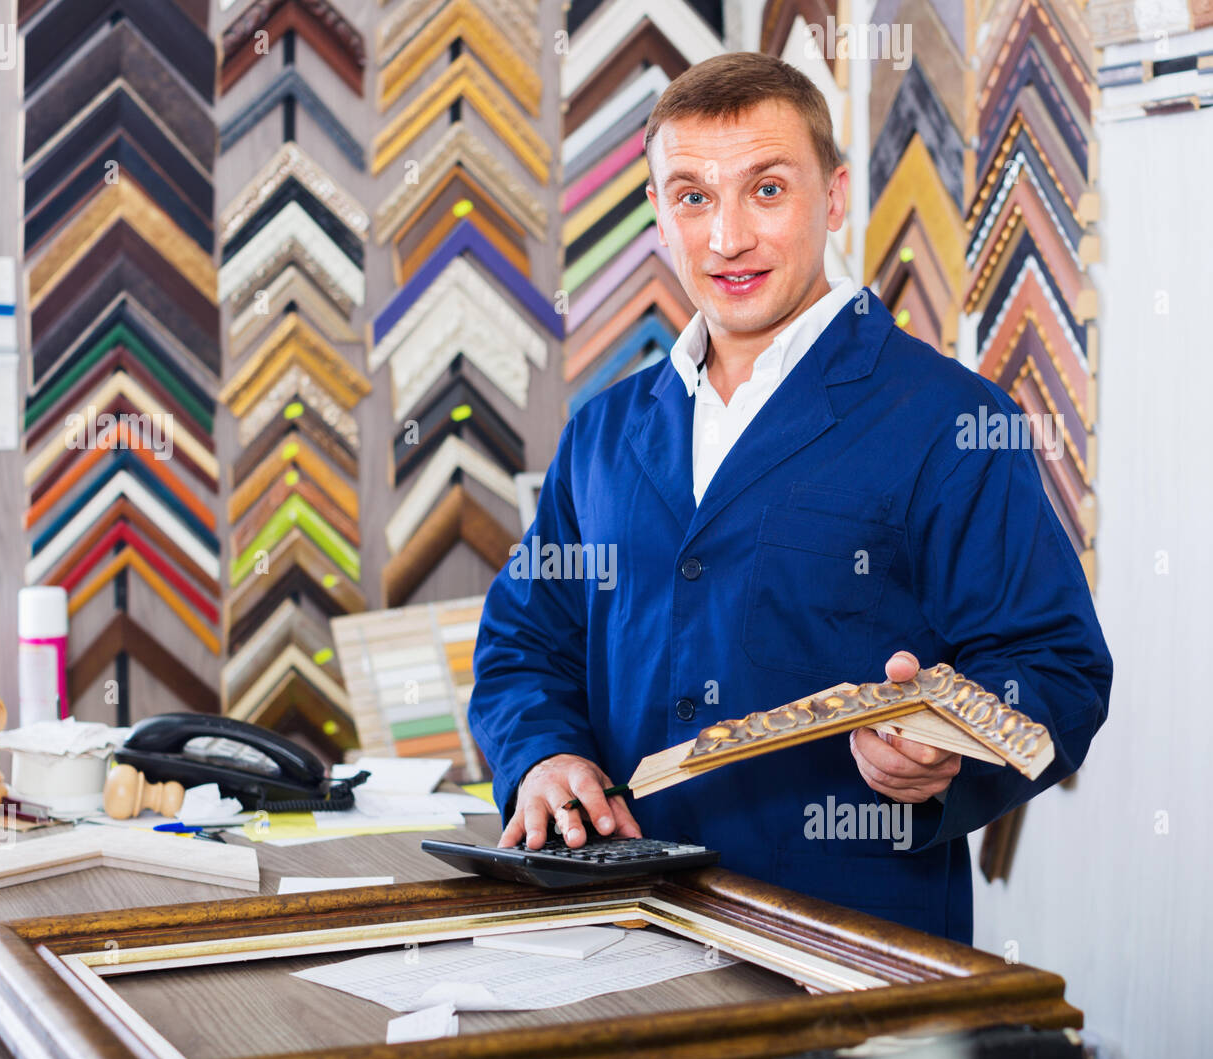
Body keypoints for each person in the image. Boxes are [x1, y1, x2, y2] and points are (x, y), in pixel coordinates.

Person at [467, 53, 1112, 942]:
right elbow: (523, 642)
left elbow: (1057, 668)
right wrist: (543, 755)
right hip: (613, 932)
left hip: (850, 949)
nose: (727, 237)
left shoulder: (954, 422)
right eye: (692, 196)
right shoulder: (603, 431)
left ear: (835, 197)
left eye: (766, 190)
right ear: (659, 214)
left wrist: (944, 755)